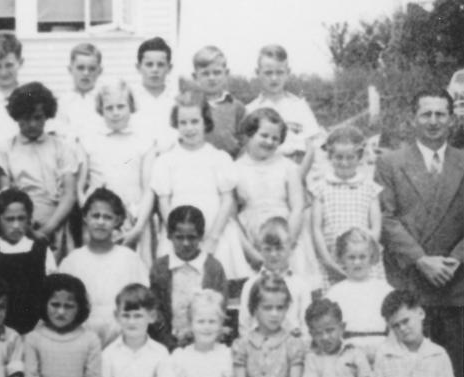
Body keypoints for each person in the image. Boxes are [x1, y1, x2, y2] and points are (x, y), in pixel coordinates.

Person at [374, 88, 464, 377]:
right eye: (425, 114)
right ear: (414, 117)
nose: (433, 121)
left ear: (452, 118)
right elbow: (387, 219)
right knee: (403, 373)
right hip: (410, 281)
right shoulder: (391, 163)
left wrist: (454, 260)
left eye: (440, 114)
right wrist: (422, 260)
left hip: (455, 283)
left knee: (454, 374)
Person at [135, 91, 243, 281]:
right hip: (180, 235)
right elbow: (164, 203)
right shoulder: (167, 160)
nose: (189, 128)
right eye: (183, 123)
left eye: (195, 121)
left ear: (205, 122)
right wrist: (178, 235)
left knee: (213, 286)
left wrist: (212, 239)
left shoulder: (218, 158)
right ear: (176, 124)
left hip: (214, 231)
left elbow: (227, 201)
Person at [0, 82, 81, 256]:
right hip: (19, 226)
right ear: (16, 117)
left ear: (47, 115)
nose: (33, 124)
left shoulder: (62, 147)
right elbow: (5, 196)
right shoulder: (5, 149)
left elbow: (69, 194)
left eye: (38, 117)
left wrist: (47, 229)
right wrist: (25, 227)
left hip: (56, 223)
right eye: (26, 119)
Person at [81, 80, 158, 264]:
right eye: (109, 108)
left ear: (130, 106)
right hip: (98, 221)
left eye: (121, 106)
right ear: (101, 110)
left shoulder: (144, 141)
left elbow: (148, 188)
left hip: (134, 219)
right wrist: (92, 219)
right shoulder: (88, 141)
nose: (115, 113)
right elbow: (80, 188)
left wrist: (138, 228)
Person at [58, 188, 148, 343]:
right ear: (85, 217)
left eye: (107, 217)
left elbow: (142, 303)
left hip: (122, 341)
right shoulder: (72, 262)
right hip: (81, 340)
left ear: (117, 220)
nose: (101, 222)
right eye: (95, 216)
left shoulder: (130, 259)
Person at [233, 108, 308, 284]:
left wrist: (287, 244)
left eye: (275, 138)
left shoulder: (288, 167)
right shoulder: (235, 169)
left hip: (287, 235)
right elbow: (232, 217)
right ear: (249, 134)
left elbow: (297, 207)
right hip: (252, 241)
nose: (269, 141)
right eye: (264, 135)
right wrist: (250, 252)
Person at [0, 189, 56, 335]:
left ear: (29, 218)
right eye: (10, 219)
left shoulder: (42, 251)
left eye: (21, 218)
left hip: (37, 331)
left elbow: (52, 294)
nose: (16, 225)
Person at [311, 126, 384, 288]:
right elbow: (316, 228)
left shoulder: (369, 187)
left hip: (363, 260)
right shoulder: (320, 188)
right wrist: (328, 261)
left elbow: (376, 226)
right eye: (338, 157)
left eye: (350, 157)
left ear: (359, 157)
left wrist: (366, 254)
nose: (344, 163)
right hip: (332, 260)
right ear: (330, 156)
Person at [149, 205, 227, 347]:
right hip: (167, 344)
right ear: (169, 235)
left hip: (206, 343)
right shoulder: (160, 268)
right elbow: (155, 309)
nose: (186, 243)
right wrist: (168, 341)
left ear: (201, 236)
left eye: (191, 237)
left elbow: (220, 309)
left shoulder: (213, 268)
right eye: (179, 237)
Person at [237, 218, 317, 341]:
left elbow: (306, 328)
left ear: (291, 248)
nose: (273, 254)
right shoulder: (250, 284)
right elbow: (244, 326)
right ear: (259, 249)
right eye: (268, 249)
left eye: (279, 248)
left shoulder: (301, 285)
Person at [245, 44, 322, 170]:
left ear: (288, 73)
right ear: (257, 73)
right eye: (268, 73)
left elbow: (312, 148)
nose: (274, 78)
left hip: (298, 168)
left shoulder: (299, 106)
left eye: (280, 72)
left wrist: (300, 177)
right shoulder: (251, 110)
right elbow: (248, 150)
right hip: (265, 171)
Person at [323, 228, 394, 353]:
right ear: (342, 259)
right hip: (347, 350)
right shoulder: (334, 293)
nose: (357, 262)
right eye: (351, 257)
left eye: (362, 257)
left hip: (382, 349)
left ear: (371, 258)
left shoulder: (385, 290)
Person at [191, 46, 245, 158]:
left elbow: (245, 143)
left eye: (217, 72)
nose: (211, 78)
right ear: (195, 77)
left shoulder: (237, 107)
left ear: (226, 73)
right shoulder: (189, 106)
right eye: (205, 74)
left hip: (229, 167)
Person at [129, 37, 177, 145]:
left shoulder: (178, 98)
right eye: (149, 64)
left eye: (160, 64)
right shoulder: (128, 98)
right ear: (138, 67)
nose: (155, 70)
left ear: (169, 68)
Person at [54, 43, 105, 144]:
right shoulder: (62, 102)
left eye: (92, 68)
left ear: (100, 71)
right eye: (80, 68)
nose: (86, 73)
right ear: (70, 69)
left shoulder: (105, 100)